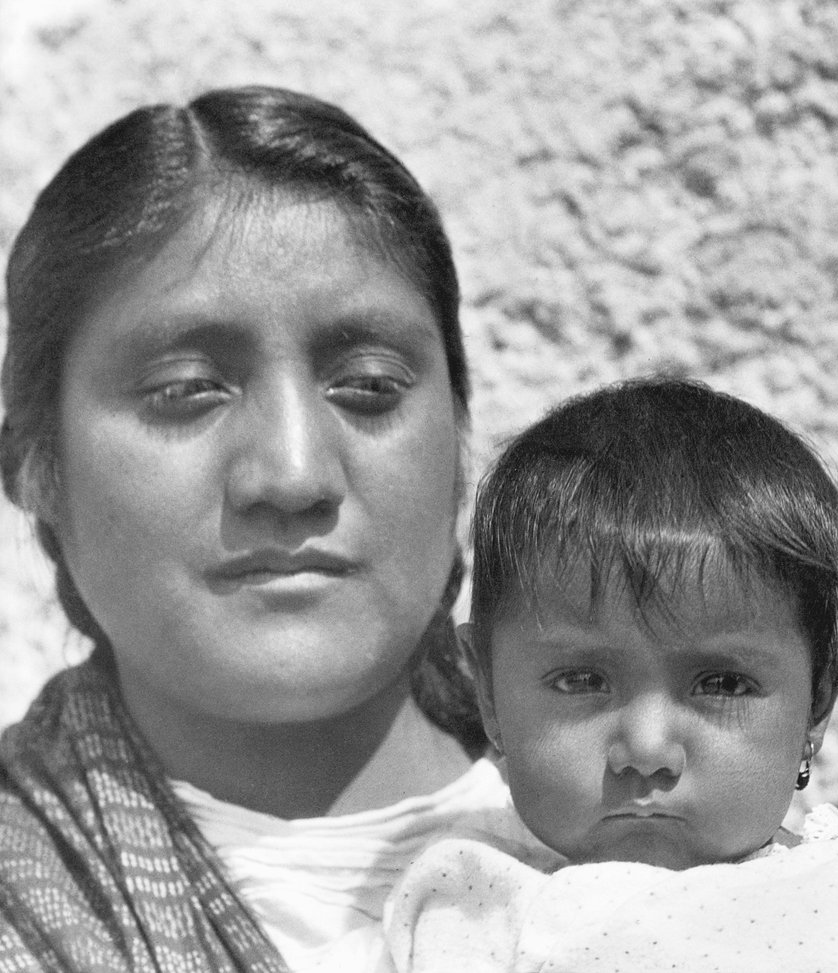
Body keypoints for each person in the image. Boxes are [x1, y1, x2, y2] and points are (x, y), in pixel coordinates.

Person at [0, 85, 550, 972]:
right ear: (34, 470)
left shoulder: (688, 842)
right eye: (185, 390)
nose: (294, 475)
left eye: (368, 384)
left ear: (459, 444)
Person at [385, 377, 838, 973]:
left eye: (723, 684)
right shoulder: (460, 904)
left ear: (818, 699)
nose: (646, 751)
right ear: (488, 691)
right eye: (579, 680)